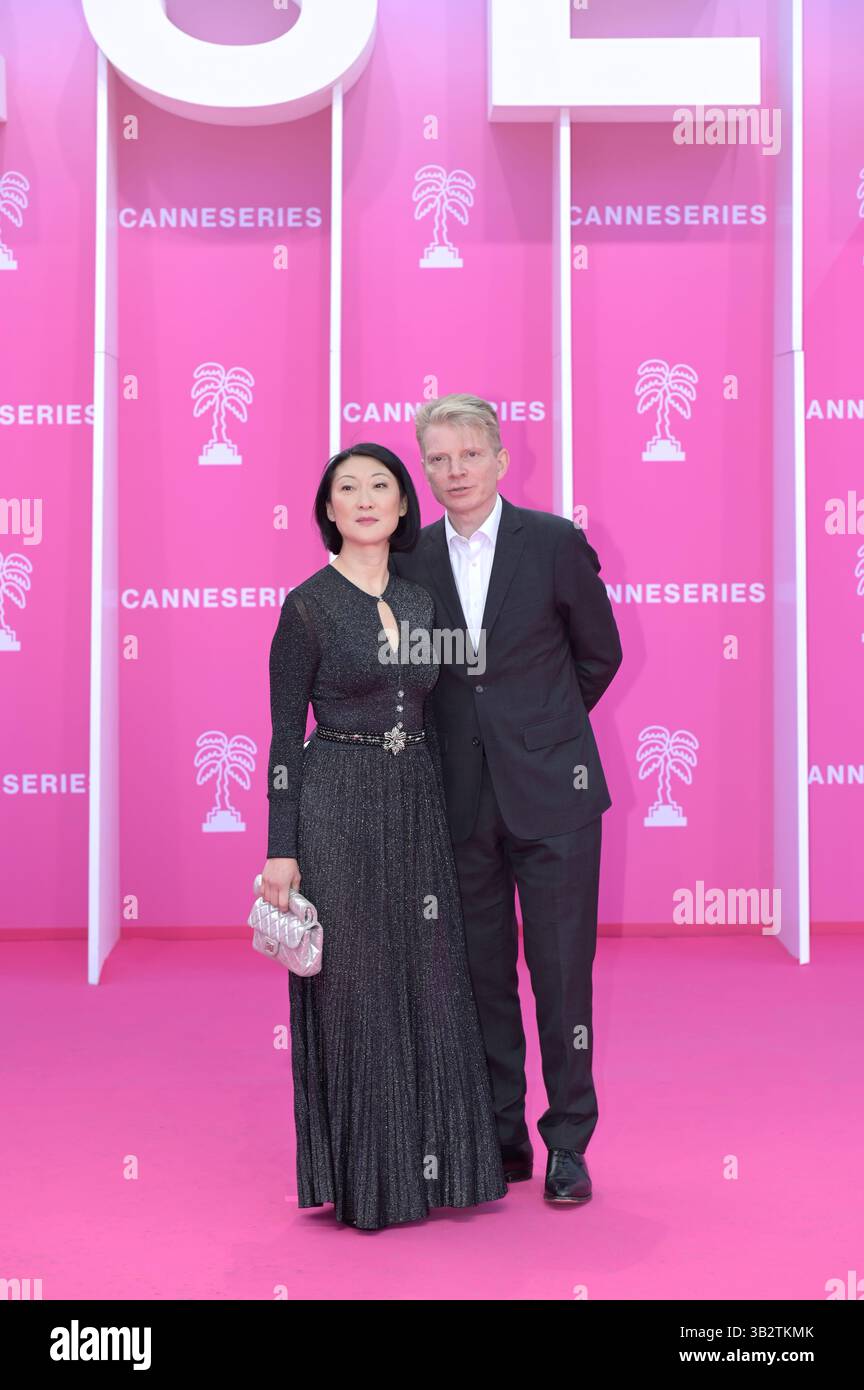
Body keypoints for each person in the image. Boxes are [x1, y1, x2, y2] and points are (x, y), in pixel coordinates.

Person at [260, 442, 507, 1231]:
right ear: (328, 511)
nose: (365, 499)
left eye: (382, 486)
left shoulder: (424, 603)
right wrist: (279, 846)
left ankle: (444, 1170)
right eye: (347, 489)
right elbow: (280, 735)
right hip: (335, 802)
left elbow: (452, 703)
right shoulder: (306, 607)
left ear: (404, 507)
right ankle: (373, 1181)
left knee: (432, 979)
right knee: (359, 987)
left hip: (417, 805)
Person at [390, 394, 622, 1205]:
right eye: (438, 460)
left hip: (555, 795)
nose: (453, 473)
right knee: (480, 973)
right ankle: (499, 1136)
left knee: (563, 975)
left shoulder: (554, 543)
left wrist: (540, 733)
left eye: (467, 456)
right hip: (457, 800)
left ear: (499, 459)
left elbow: (600, 654)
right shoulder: (409, 558)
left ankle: (568, 1142)